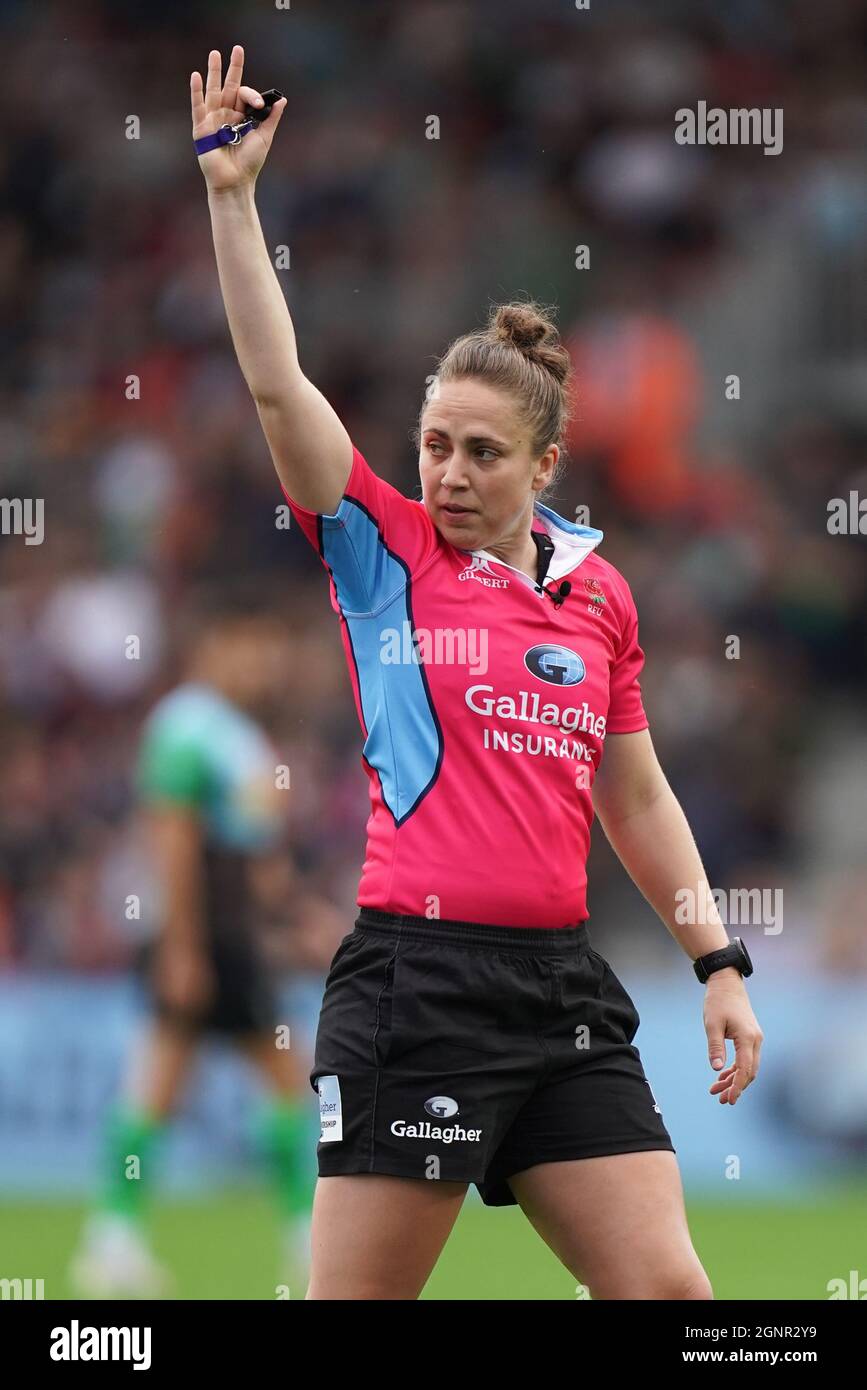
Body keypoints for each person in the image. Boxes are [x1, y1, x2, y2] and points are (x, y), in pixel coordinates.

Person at [190, 46, 764, 1301]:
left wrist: (718, 960)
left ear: (545, 465)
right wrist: (234, 201)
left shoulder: (600, 595)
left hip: (561, 991)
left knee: (674, 1298)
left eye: (483, 453)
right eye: (434, 444)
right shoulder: (382, 552)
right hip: (420, 987)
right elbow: (278, 387)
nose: (449, 472)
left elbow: (638, 797)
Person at [71, 596, 319, 1297]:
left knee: (163, 1085)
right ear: (212, 647)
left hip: (228, 934)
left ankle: (112, 1241)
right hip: (205, 935)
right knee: (282, 1079)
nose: (262, 663)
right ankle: (302, 1235)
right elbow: (173, 839)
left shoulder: (239, 735)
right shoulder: (187, 726)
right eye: (249, 645)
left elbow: (256, 856)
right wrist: (182, 948)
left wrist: (302, 915)